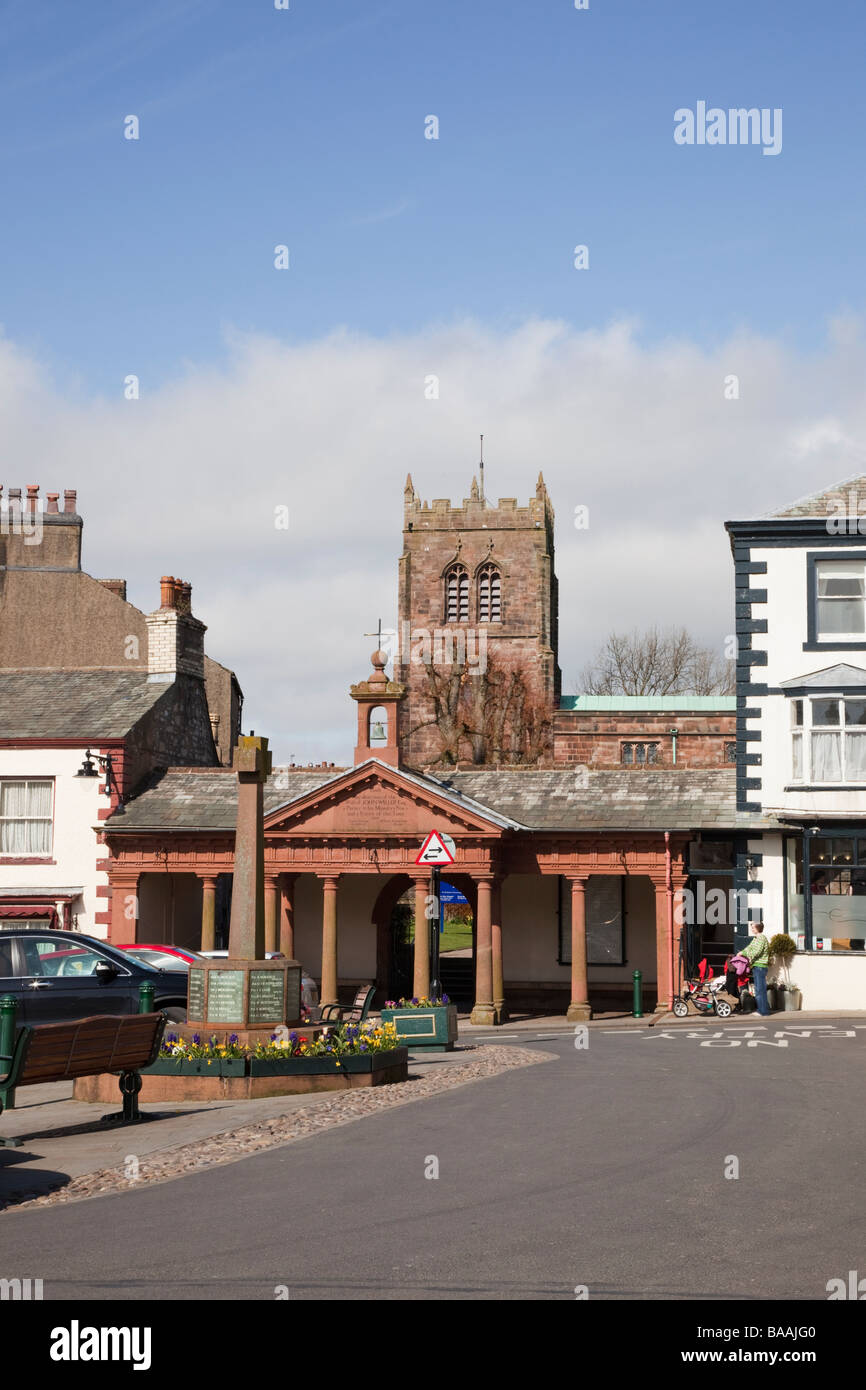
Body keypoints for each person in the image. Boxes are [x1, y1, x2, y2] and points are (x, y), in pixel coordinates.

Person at [739, 920, 771, 1016]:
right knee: (758, 989)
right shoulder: (756, 939)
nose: (751, 929)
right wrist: (741, 952)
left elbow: (756, 951)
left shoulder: (761, 938)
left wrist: (744, 953)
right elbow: (749, 948)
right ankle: (761, 1010)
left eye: (753, 927)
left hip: (760, 967)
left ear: (757, 928)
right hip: (757, 966)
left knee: (760, 989)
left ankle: (763, 1011)